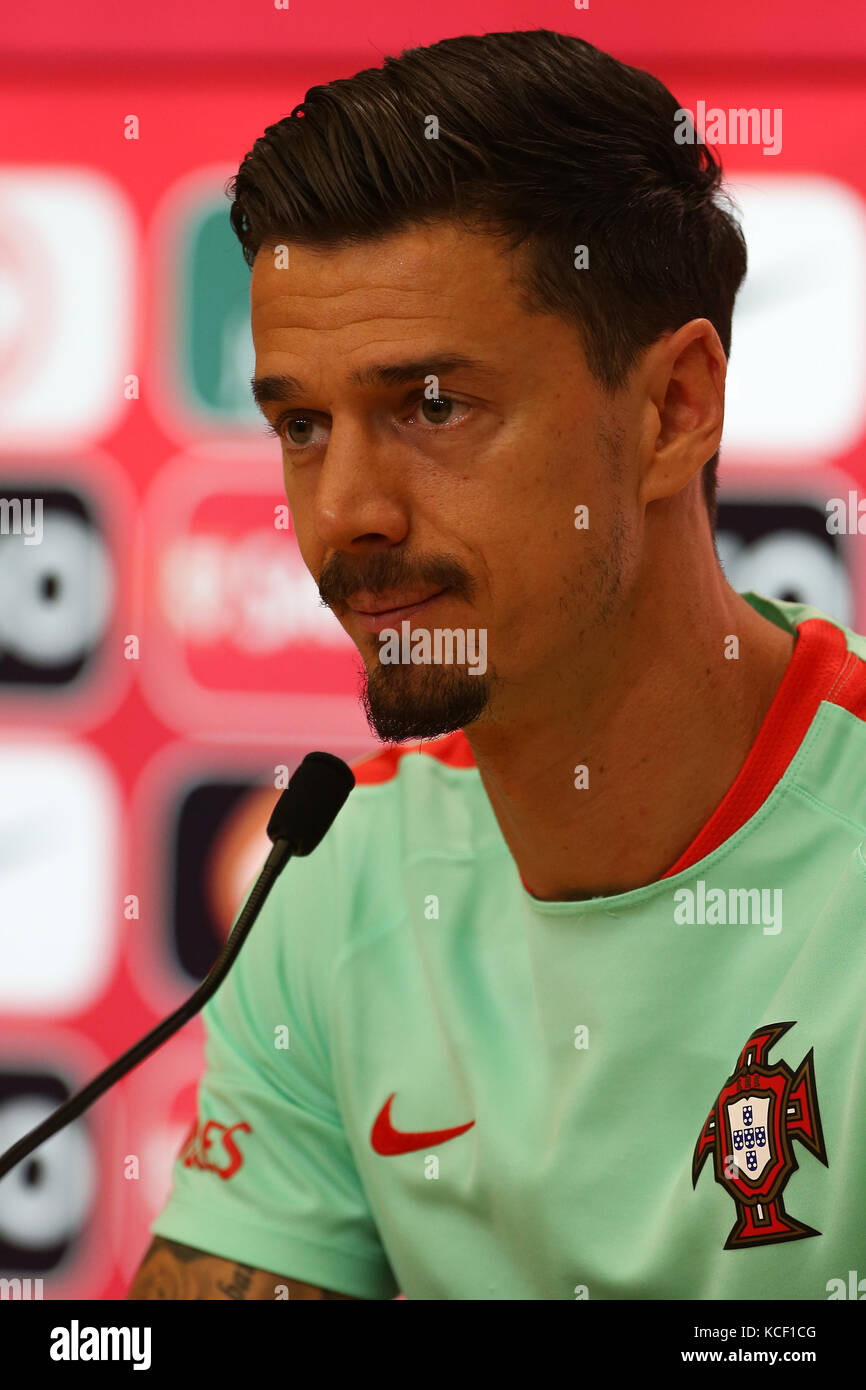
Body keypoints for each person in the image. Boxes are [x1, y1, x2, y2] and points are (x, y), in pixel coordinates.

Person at [128, 29, 866, 1300]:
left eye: (430, 406)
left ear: (673, 408)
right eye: (301, 425)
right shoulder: (335, 879)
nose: (346, 510)